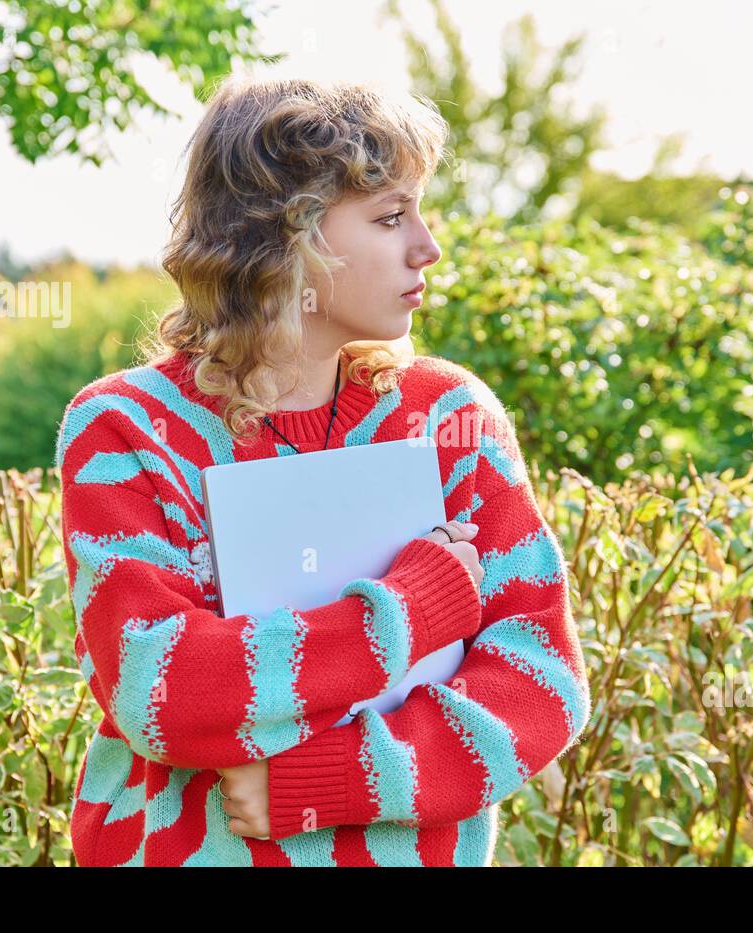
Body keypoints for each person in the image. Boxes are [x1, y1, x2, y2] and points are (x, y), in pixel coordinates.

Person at [54, 75, 591, 866]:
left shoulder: (448, 417)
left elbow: (540, 683)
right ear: (287, 238)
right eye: (389, 216)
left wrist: (327, 780)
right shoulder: (125, 429)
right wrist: (409, 608)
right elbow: (162, 690)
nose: (427, 246)